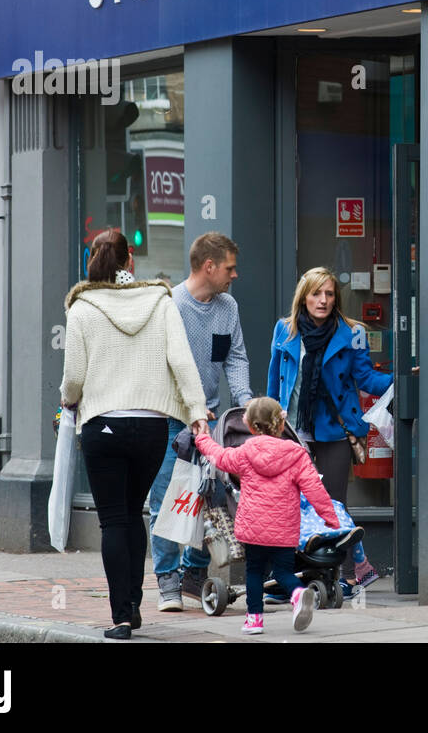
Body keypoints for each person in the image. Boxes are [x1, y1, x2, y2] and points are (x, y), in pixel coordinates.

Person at [59, 228, 208, 639]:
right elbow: (182, 361)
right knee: (134, 512)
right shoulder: (160, 302)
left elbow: (73, 378)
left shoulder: (82, 308)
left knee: (112, 521)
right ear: (130, 263)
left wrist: (67, 402)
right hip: (151, 426)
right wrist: (197, 412)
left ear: (92, 262)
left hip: (102, 427)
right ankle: (137, 605)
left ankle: (121, 616)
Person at [267, 267, 392, 593]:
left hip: (334, 431)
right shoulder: (285, 330)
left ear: (336, 298)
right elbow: (273, 383)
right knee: (288, 504)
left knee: (332, 504)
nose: (322, 301)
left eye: (329, 294)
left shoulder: (353, 332)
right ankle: (291, 576)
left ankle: (349, 574)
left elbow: (366, 379)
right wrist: (268, 426)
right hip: (293, 430)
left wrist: (401, 379)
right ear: (303, 297)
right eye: (315, 293)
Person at [149, 232, 254, 611]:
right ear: (209, 266)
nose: (234, 274)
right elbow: (159, 368)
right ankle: (167, 579)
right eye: (230, 267)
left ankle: (193, 573)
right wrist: (189, 409)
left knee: (209, 501)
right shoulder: (169, 306)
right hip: (172, 420)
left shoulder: (228, 307)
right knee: (166, 500)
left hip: (210, 423)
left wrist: (246, 405)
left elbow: (235, 359)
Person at [193, 397, 339, 635]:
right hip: (285, 528)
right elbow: (314, 488)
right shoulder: (297, 454)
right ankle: (298, 593)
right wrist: (329, 516)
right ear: (281, 425)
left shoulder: (245, 452)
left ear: (250, 427)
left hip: (253, 527)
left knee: (253, 572)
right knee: (283, 572)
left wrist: (202, 438)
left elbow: (219, 457)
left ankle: (254, 620)